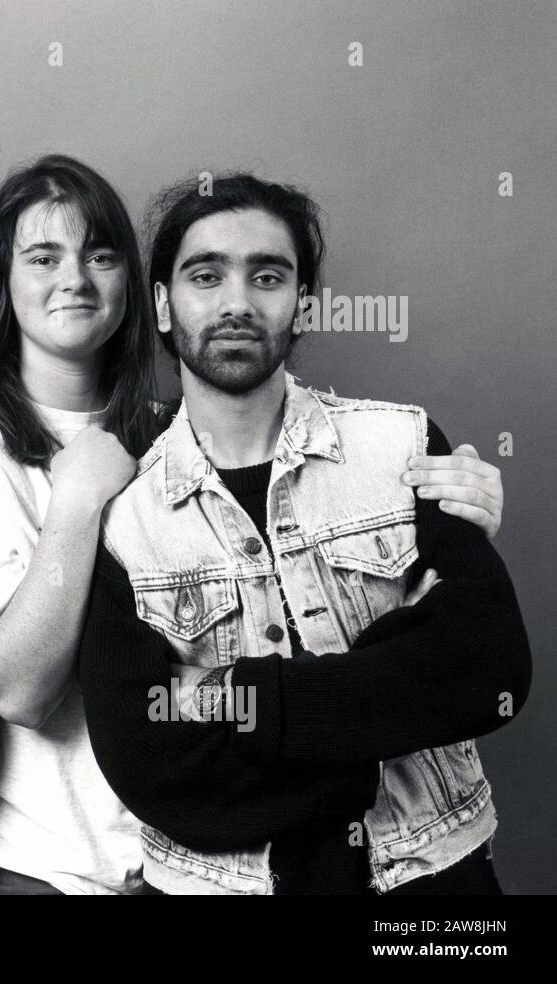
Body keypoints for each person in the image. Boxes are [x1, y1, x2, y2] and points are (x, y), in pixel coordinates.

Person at [0, 157, 511, 895]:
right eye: (43, 257)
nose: (75, 278)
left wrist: (226, 695)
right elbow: (46, 707)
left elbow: (486, 663)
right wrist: (76, 505)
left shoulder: (379, 446)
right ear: (167, 304)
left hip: (373, 872)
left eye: (101, 256)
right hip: (58, 865)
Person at [78, 173, 530, 894]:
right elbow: (149, 765)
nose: (236, 303)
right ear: (163, 306)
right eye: (205, 276)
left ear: (305, 305)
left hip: (432, 883)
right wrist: (378, 729)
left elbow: (490, 667)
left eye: (267, 276)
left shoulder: (401, 448)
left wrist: (243, 698)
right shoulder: (126, 518)